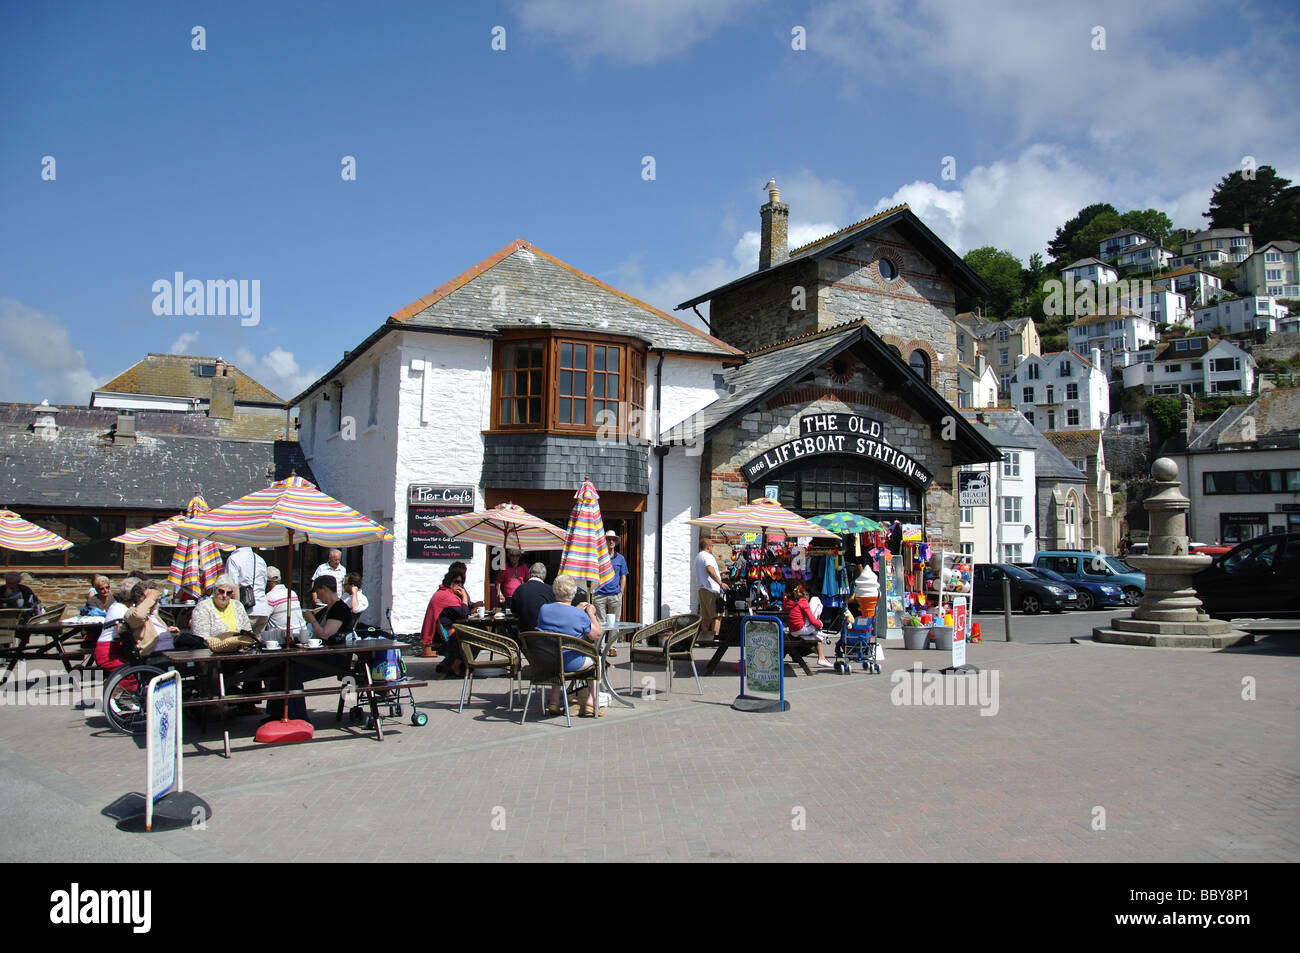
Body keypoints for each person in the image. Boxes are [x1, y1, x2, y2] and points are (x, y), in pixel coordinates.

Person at [268, 575, 356, 721]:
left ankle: (299, 717)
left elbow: (326, 634)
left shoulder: (340, 608)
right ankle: (277, 713)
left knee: (292, 673)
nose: (316, 595)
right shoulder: (325, 609)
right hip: (322, 655)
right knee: (282, 665)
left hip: (336, 658)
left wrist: (312, 620)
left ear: (325, 589)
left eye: (317, 591)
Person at [535, 573, 603, 717]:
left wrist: (575, 610)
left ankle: (554, 701)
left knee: (556, 651)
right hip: (571, 663)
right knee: (598, 660)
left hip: (547, 662)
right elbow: (596, 634)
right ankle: (591, 701)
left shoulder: (544, 610)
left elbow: (562, 617)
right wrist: (590, 613)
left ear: (555, 590)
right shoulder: (578, 615)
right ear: (573, 592)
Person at [419, 568, 482, 670]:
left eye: (461, 582)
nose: (459, 585)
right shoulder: (446, 596)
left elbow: (461, 611)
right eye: (456, 582)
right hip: (445, 634)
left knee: (476, 632)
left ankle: (449, 662)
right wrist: (465, 597)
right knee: (479, 634)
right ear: (449, 582)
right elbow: (462, 614)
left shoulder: (446, 593)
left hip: (443, 631)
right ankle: (457, 663)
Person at [190, 574, 252, 645]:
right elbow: (201, 638)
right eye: (221, 591)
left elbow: (248, 632)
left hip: (238, 649)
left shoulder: (238, 606)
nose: (224, 595)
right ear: (215, 590)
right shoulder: (203, 607)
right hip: (210, 652)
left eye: (228, 593)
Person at [783, 582, 832, 668]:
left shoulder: (786, 602)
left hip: (793, 630)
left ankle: (822, 657)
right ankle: (821, 658)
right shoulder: (802, 602)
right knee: (816, 600)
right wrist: (819, 624)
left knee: (816, 631)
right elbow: (812, 620)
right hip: (801, 629)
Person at [225, 546, 270, 635]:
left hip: (247, 610)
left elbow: (233, 586)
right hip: (263, 610)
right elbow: (264, 584)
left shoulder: (233, 558)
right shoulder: (260, 559)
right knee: (256, 644)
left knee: (241, 643)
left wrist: (236, 612)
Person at [694, 537, 727, 643]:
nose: (712, 547)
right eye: (712, 546)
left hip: (702, 589)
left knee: (706, 617)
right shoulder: (708, 556)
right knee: (717, 615)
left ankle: (703, 639)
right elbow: (709, 569)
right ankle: (715, 639)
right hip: (710, 590)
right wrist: (720, 582)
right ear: (708, 546)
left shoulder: (698, 557)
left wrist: (720, 573)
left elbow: (706, 572)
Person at [593, 530, 629, 623]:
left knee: (615, 623)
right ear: (604, 541)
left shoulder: (620, 558)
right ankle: (601, 639)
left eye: (613, 539)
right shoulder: (597, 557)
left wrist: (621, 591)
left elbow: (623, 575)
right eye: (608, 539)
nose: (611, 541)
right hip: (599, 594)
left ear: (616, 542)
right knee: (600, 623)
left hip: (615, 594)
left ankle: (613, 639)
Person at [511, 562, 555, 632]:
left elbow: (513, 611)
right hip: (545, 634)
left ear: (529, 573)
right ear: (544, 576)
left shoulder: (519, 589)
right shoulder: (550, 590)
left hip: (525, 635)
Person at [264, 566, 305, 638]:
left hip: (283, 637)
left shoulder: (270, 596)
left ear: (267, 583)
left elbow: (263, 619)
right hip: (301, 633)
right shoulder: (292, 593)